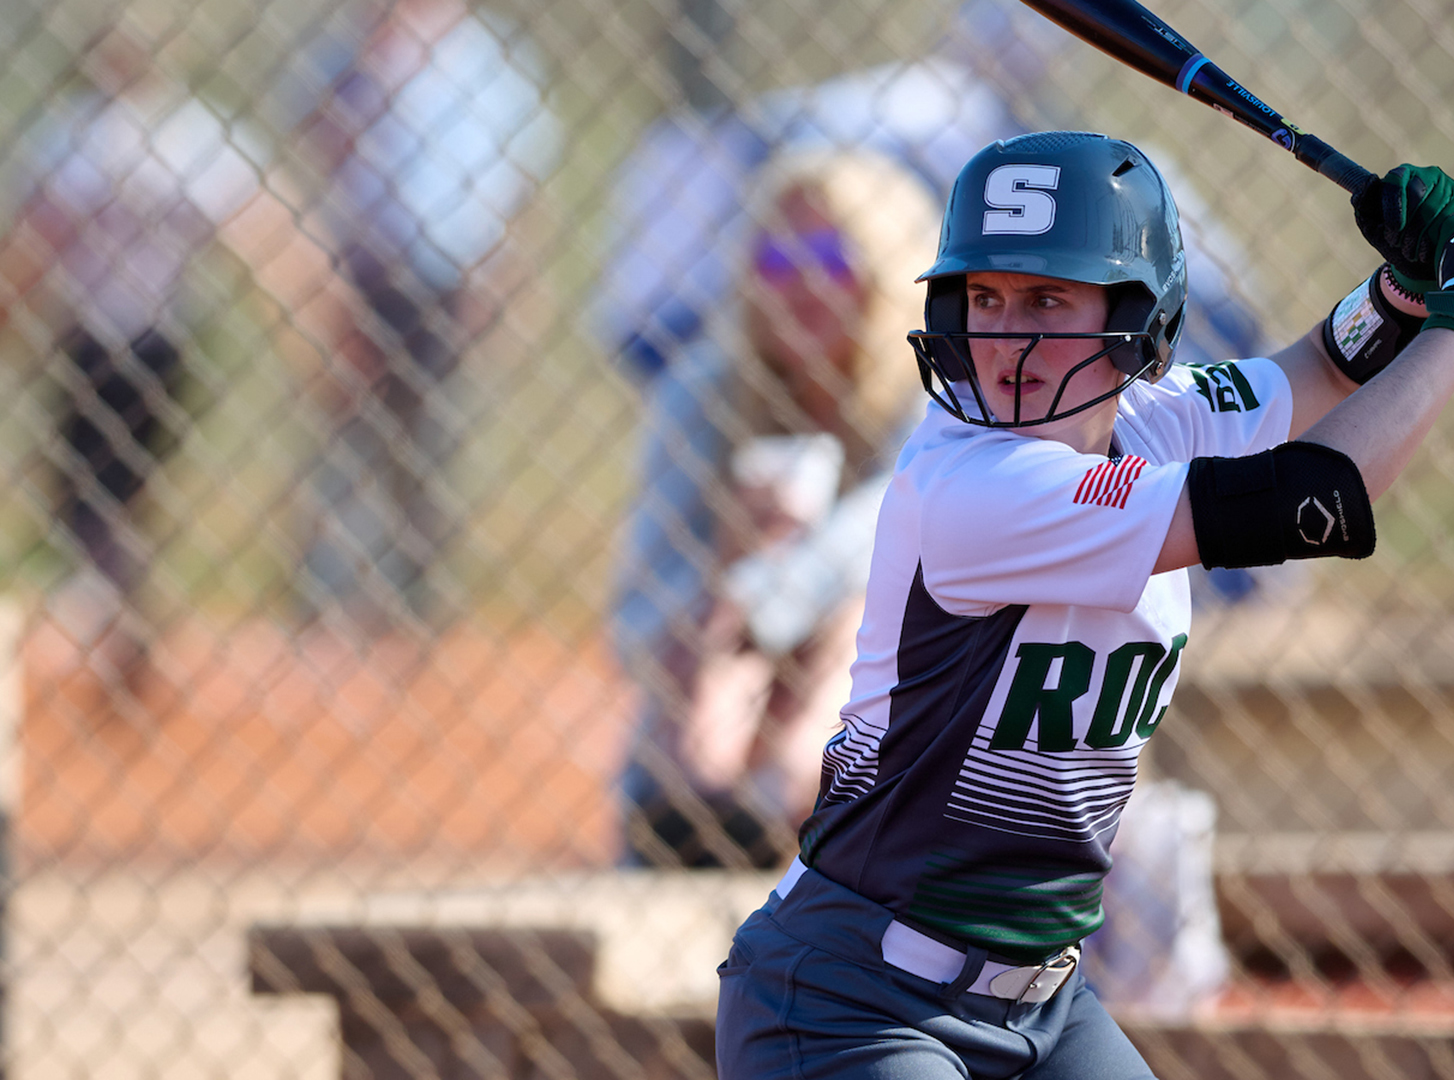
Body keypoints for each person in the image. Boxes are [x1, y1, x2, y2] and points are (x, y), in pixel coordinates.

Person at [712, 132, 1454, 1076]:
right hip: (851, 1002)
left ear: (1136, 318)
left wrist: (1398, 295)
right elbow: (1313, 495)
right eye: (986, 299)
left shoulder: (1147, 418)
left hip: (1043, 1004)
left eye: (1047, 300)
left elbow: (1316, 370)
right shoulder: (974, 488)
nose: (1008, 338)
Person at [611, 150, 941, 868]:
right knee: (716, 623)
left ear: (889, 271)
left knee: (859, 608)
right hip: (725, 669)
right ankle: (705, 812)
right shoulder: (703, 393)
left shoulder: (937, 395)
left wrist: (767, 582)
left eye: (830, 257)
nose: (801, 284)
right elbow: (638, 613)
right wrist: (732, 567)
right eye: (777, 260)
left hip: (875, 669)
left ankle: (787, 793)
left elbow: (897, 533)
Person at [0, 25, 355, 683]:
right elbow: (270, 234)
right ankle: (117, 606)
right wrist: (309, 320)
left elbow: (30, 248)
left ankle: (108, 607)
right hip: (150, 342)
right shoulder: (191, 134)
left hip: (106, 341)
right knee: (116, 489)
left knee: (94, 491)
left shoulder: (79, 135)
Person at [292, 0, 561, 631]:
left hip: (448, 275)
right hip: (359, 273)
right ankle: (327, 600)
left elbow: (521, 187)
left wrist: (507, 283)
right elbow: (313, 153)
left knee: (428, 441)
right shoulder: (349, 52)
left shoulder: (491, 60)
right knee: (346, 439)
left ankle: (414, 605)